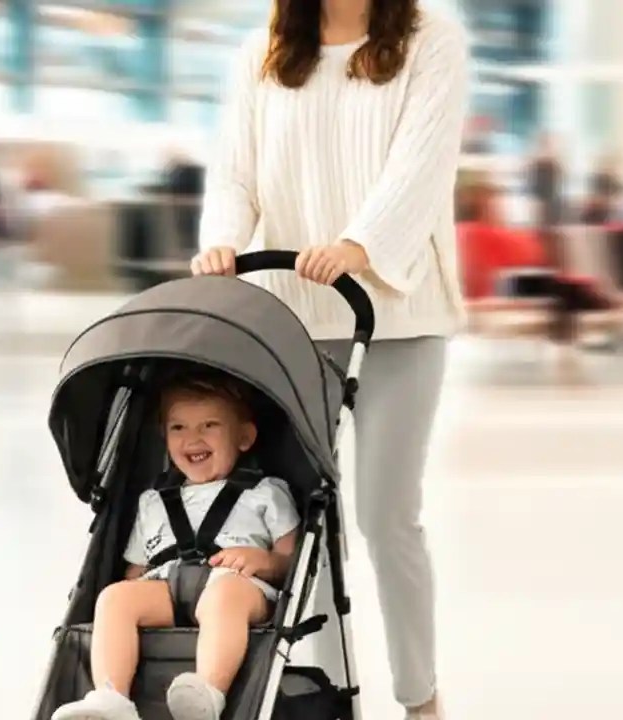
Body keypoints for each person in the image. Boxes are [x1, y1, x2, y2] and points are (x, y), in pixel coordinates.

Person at [188, 1, 468, 717]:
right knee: (293, 521)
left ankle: (419, 696)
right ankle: (297, 690)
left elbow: (421, 164)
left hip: (396, 313)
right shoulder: (266, 51)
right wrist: (221, 239)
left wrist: (359, 246)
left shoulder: (431, 41)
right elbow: (235, 175)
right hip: (287, 316)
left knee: (385, 515)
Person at [52, 370, 301, 720]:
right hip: (167, 586)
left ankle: (207, 692)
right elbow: (136, 568)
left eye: (209, 425)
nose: (193, 438)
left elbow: (290, 560)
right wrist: (135, 589)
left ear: (244, 437)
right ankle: (111, 698)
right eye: (178, 428)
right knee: (114, 597)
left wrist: (262, 560)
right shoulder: (153, 501)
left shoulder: (265, 492)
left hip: (240, 588)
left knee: (223, 596)